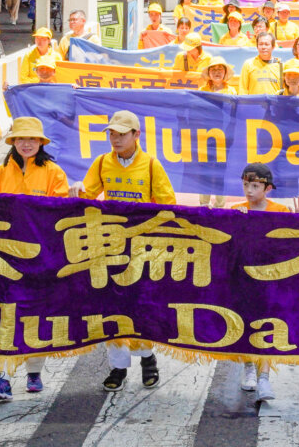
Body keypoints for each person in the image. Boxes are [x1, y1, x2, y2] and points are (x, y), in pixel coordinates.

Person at [72, 110, 175, 392]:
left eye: (121, 134)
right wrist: (78, 189)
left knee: (141, 305)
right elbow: (86, 196)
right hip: (110, 246)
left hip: (142, 248)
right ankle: (117, 367)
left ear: (136, 135)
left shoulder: (151, 165)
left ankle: (147, 358)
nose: (115, 139)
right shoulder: (102, 163)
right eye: (112, 134)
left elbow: (168, 205)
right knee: (112, 307)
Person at [0, 116, 69, 400]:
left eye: (32, 139)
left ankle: (34, 372)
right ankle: (2, 379)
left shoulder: (54, 172)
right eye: (21, 138)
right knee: (3, 316)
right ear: (14, 142)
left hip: (41, 259)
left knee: (36, 315)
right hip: (6, 258)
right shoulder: (3, 171)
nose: (27, 143)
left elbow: (59, 215)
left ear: (41, 143)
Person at [233, 163, 289, 401]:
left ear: (267, 189)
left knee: (267, 324)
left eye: (255, 186)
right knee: (246, 324)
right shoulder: (236, 210)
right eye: (246, 185)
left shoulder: (281, 211)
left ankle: (264, 376)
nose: (249, 190)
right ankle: (249, 366)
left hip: (270, 279)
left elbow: (290, 242)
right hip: (244, 279)